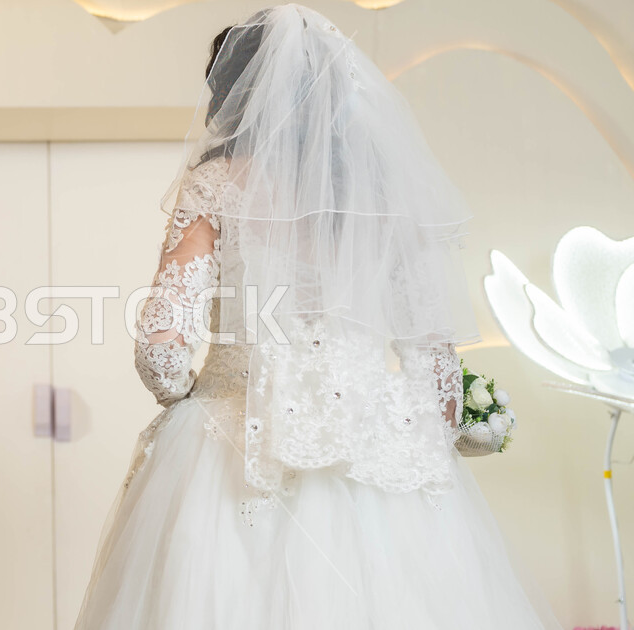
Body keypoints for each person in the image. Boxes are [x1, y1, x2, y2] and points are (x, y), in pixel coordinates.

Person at [75, 5, 561, 629]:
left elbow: (162, 350)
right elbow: (437, 376)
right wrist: (419, 434)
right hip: (377, 453)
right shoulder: (385, 199)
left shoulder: (217, 185)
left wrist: (195, 394)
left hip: (232, 442)